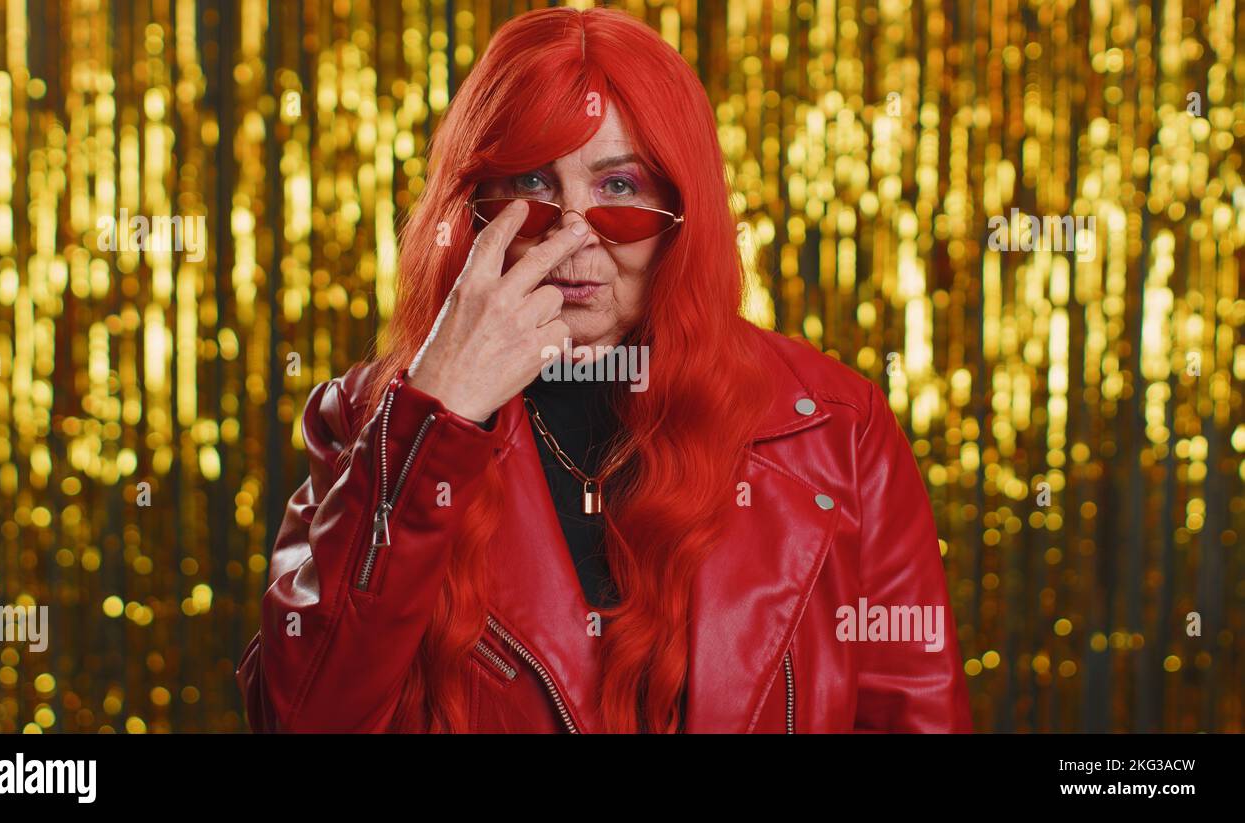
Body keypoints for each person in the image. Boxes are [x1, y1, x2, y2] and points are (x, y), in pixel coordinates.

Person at [236, 6, 972, 734]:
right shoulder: (373, 419)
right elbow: (301, 716)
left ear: (685, 207)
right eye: (531, 184)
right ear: (472, 211)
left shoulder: (838, 428)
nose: (573, 236)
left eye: (619, 187)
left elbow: (914, 716)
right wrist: (438, 416)